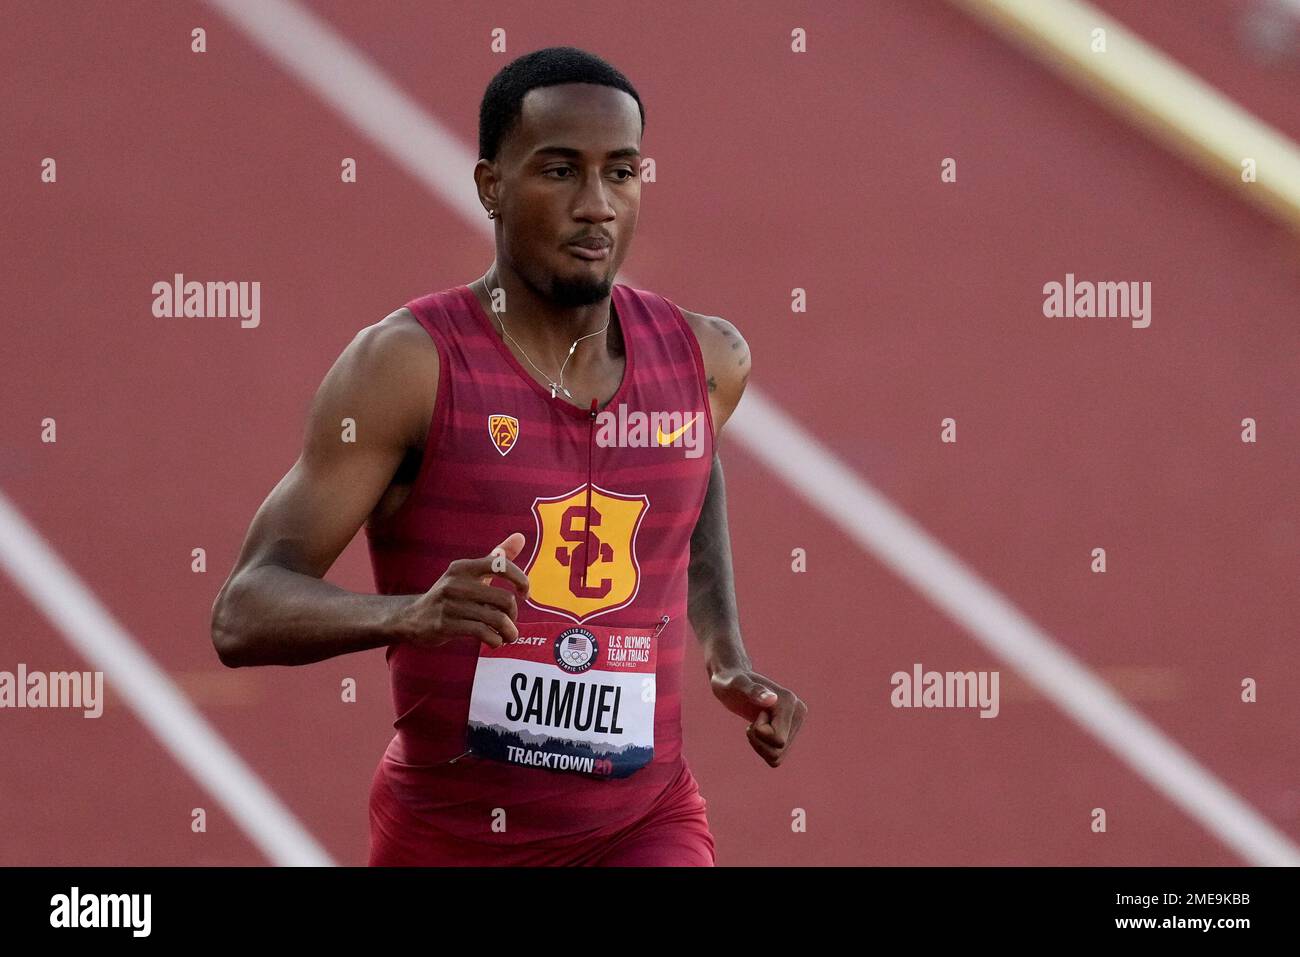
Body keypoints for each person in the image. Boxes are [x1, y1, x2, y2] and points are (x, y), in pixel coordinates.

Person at [210, 46, 806, 866]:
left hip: (642, 827)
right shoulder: (408, 368)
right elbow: (242, 611)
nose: (596, 206)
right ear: (491, 184)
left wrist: (727, 653)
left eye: (622, 173)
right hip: (450, 837)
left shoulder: (706, 359)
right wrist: (408, 613)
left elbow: (691, 471)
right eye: (560, 172)